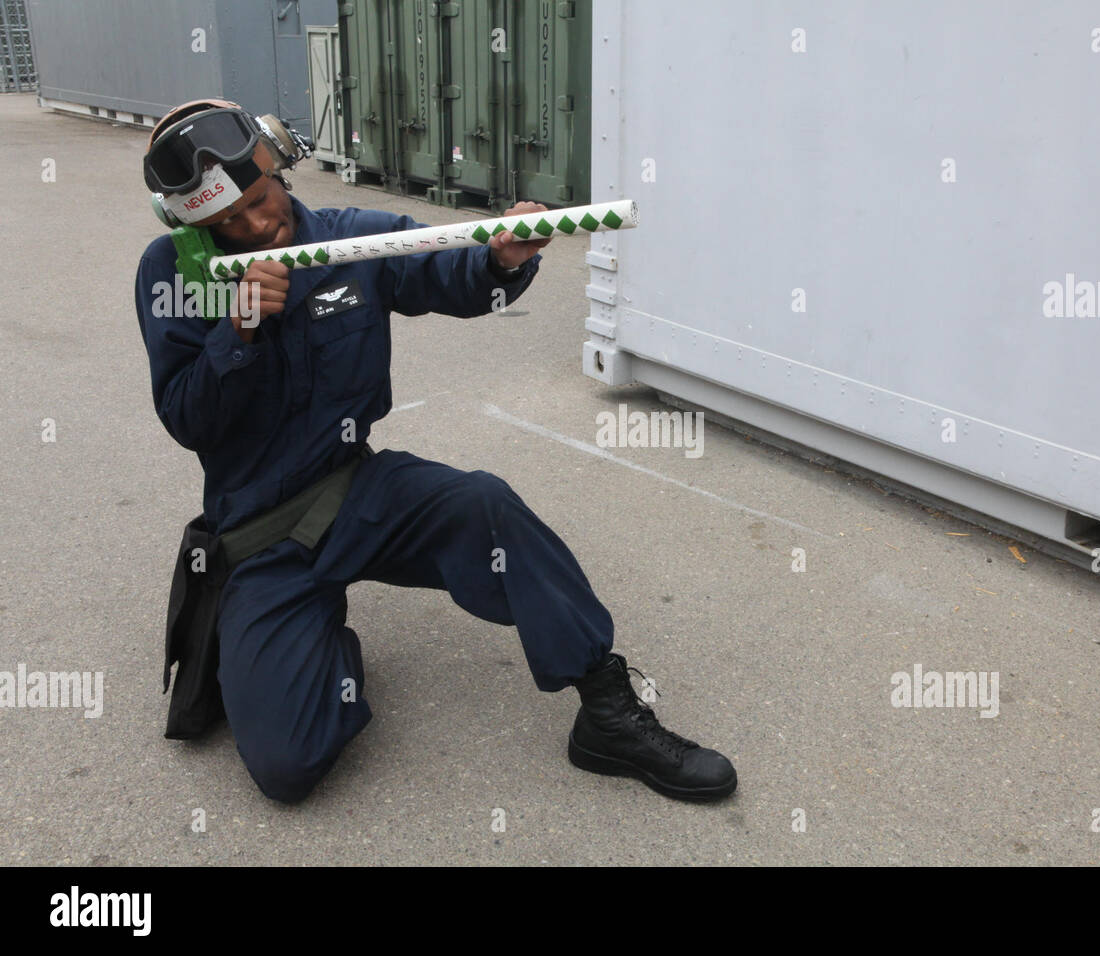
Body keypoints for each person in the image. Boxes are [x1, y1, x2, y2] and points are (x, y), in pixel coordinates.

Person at [133, 99, 737, 803]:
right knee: (287, 767)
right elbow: (187, 420)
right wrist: (233, 334)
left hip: (354, 490)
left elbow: (446, 272)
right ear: (192, 228)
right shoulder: (173, 273)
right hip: (260, 534)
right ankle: (321, 641)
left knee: (482, 504)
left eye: (262, 202)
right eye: (226, 224)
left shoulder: (352, 241)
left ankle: (605, 707)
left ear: (278, 171)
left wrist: (500, 258)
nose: (256, 227)